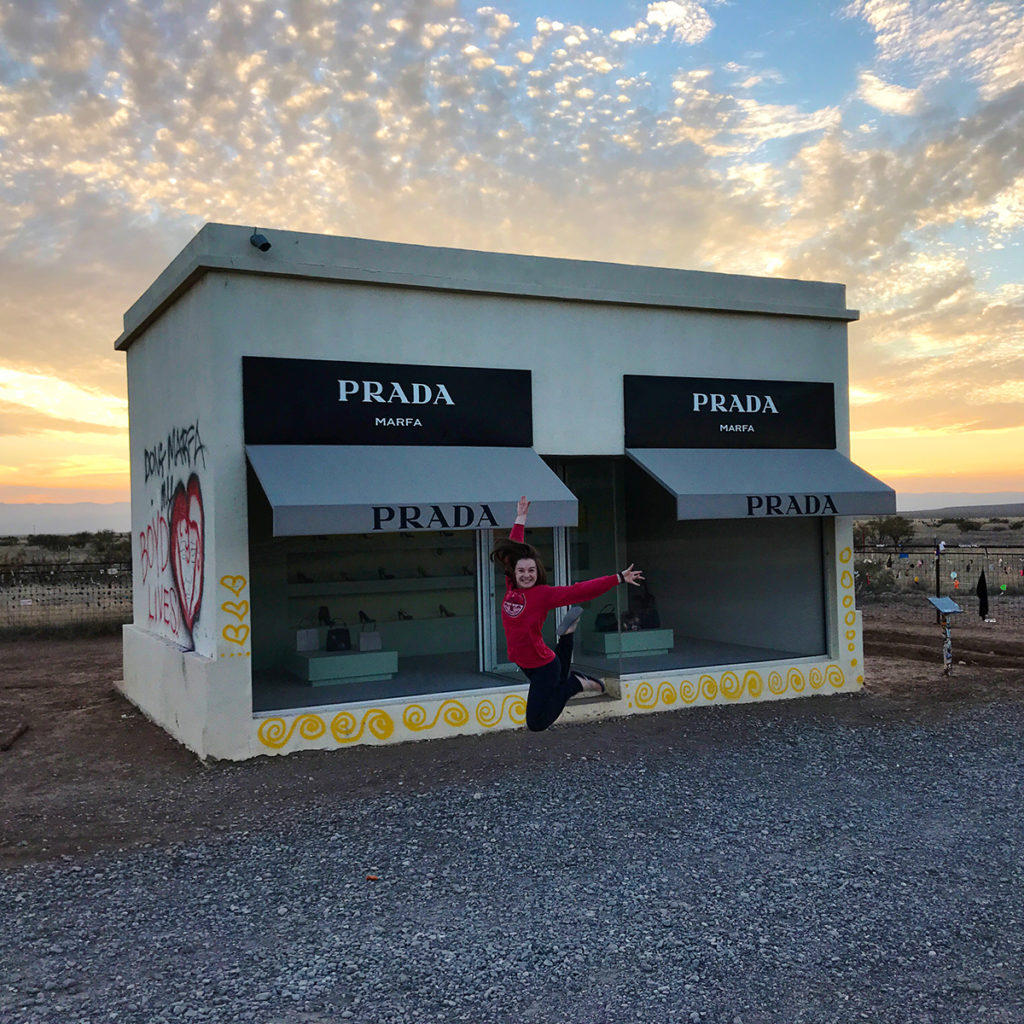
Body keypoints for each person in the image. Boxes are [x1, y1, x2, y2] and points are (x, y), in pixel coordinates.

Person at [491, 495, 644, 732]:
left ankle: (576, 684)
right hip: (529, 662)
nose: (526, 575)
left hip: (542, 666)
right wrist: (520, 517)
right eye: (521, 571)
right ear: (514, 572)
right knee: (557, 680)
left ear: (537, 571)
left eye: (531, 570)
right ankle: (567, 635)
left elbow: (581, 590)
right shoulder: (512, 586)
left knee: (537, 722)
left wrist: (618, 578)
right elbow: (514, 549)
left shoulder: (544, 594)